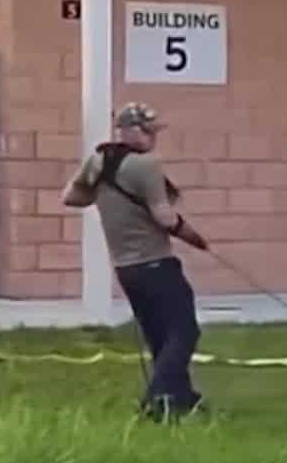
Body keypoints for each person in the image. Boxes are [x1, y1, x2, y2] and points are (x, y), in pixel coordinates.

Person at [61, 102, 210, 421]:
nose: (153, 138)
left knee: (159, 335)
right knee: (185, 331)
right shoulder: (146, 164)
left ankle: (181, 399)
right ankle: (156, 398)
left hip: (126, 269)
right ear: (129, 131)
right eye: (148, 131)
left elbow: (71, 197)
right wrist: (196, 239)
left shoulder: (99, 160)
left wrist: (107, 196)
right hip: (156, 262)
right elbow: (165, 217)